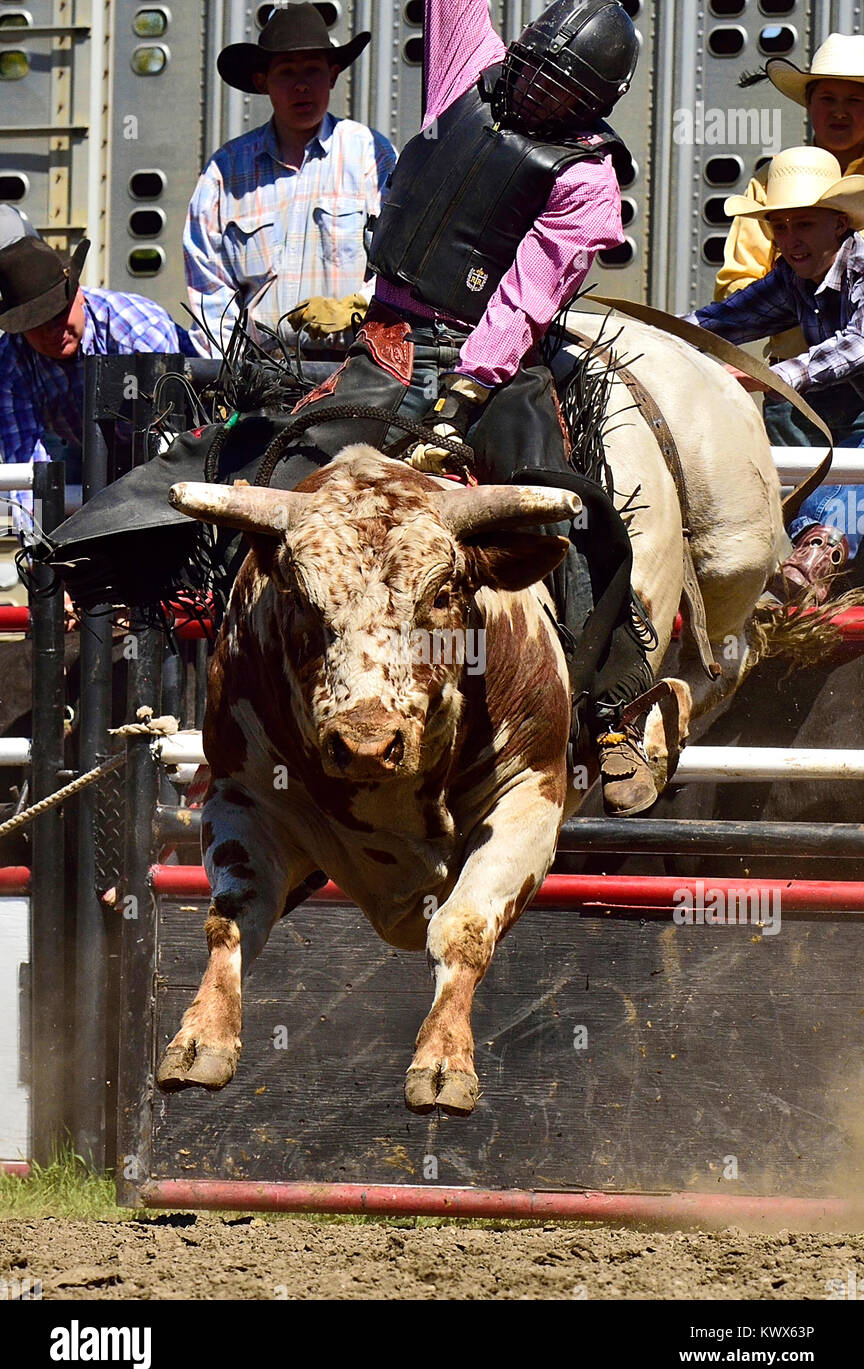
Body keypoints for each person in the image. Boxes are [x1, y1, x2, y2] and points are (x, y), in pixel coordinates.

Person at [273, 0, 657, 816]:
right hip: (386, 337)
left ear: (590, 106)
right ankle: (229, 666)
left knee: (553, 505)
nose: (541, 98)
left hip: (496, 360)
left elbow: (526, 298)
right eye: (539, 74)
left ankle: (607, 711)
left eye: (564, 92)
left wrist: (464, 397)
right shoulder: (466, 69)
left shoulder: (585, 180)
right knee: (274, 466)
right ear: (521, 54)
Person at [685, 147, 864, 599]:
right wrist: (642, 337)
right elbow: (718, 322)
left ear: (839, 224)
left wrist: (768, 376)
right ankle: (811, 551)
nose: (789, 239)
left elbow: (860, 345)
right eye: (779, 226)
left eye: (803, 223)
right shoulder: (793, 277)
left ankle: (819, 550)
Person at [183, 4, 397, 359]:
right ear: (261, 82)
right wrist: (231, 376)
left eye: (313, 70)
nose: (301, 85)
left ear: (332, 75)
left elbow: (401, 263)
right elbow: (210, 290)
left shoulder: (371, 157)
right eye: (286, 72)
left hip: (355, 371)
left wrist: (363, 308)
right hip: (260, 378)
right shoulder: (226, 172)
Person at [0, 229, 192, 528]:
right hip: (91, 454)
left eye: (58, 314)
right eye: (37, 324)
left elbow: (167, 441)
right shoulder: (11, 363)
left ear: (78, 294)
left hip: (185, 448)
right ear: (21, 330)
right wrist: (36, 539)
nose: (54, 331)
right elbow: (26, 460)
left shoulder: (136, 329)